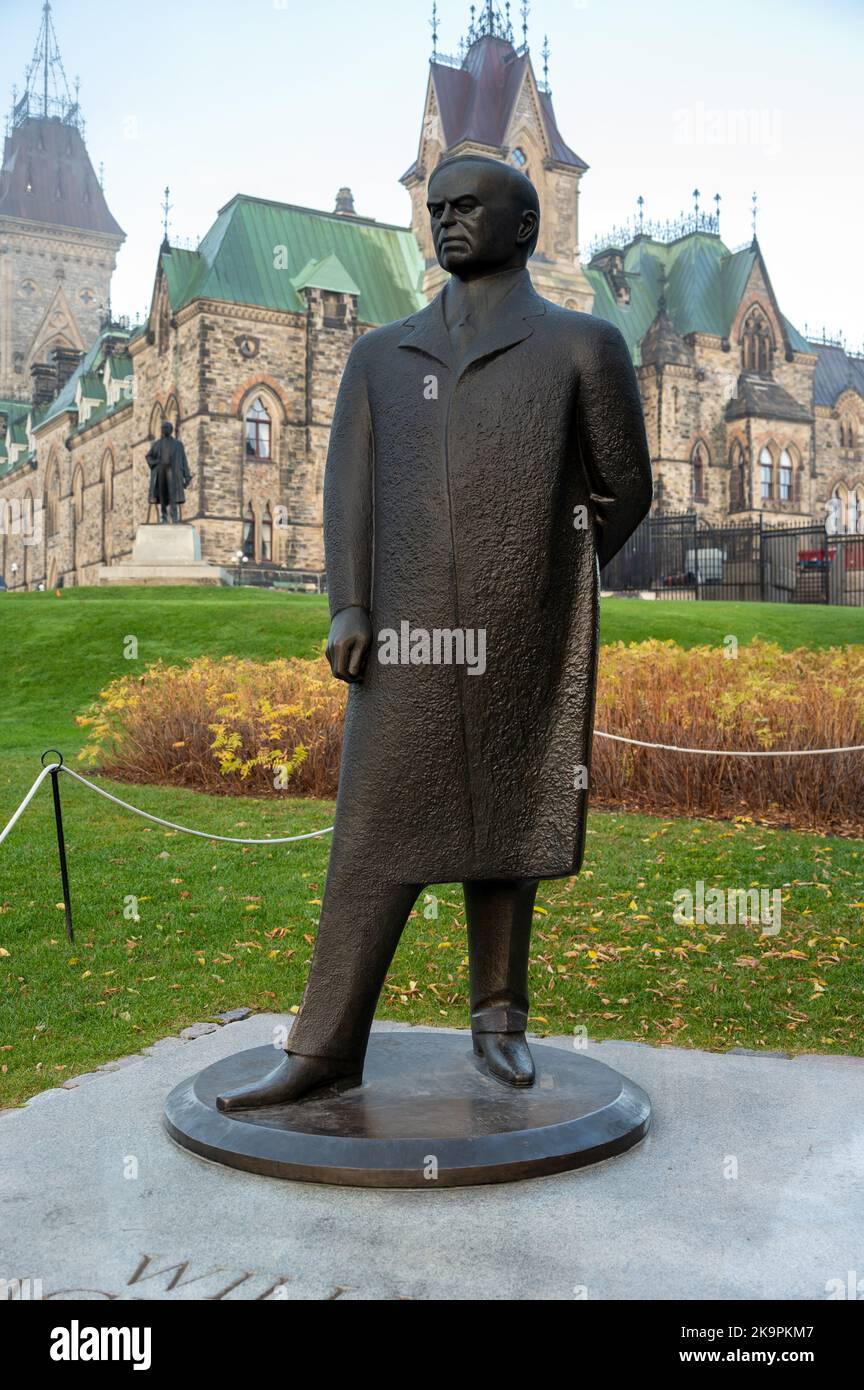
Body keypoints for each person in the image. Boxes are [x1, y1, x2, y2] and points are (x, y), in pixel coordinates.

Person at [218, 154, 652, 1111]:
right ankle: (326, 1044)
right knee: (372, 830)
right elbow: (349, 491)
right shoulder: (382, 356)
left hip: (518, 629)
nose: (448, 221)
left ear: (527, 227)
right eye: (436, 208)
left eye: (469, 208)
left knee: (505, 813)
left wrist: (548, 574)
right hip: (405, 638)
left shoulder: (583, 347)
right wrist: (348, 604)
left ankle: (500, 1017)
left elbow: (625, 489)